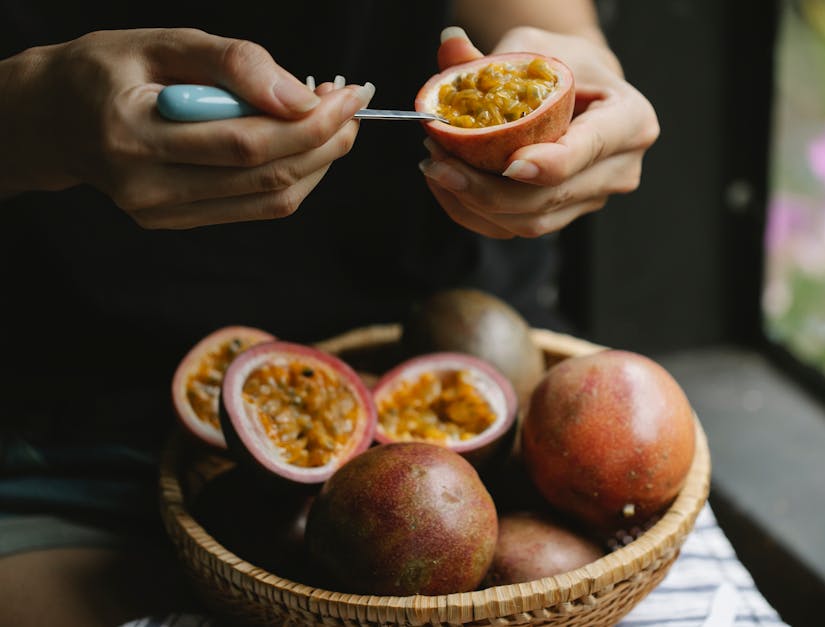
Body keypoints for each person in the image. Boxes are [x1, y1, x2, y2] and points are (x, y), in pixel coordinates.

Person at [0, 1, 659, 625]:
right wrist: (32, 113)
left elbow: (544, 20)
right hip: (71, 409)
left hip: (482, 378)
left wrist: (580, 72)